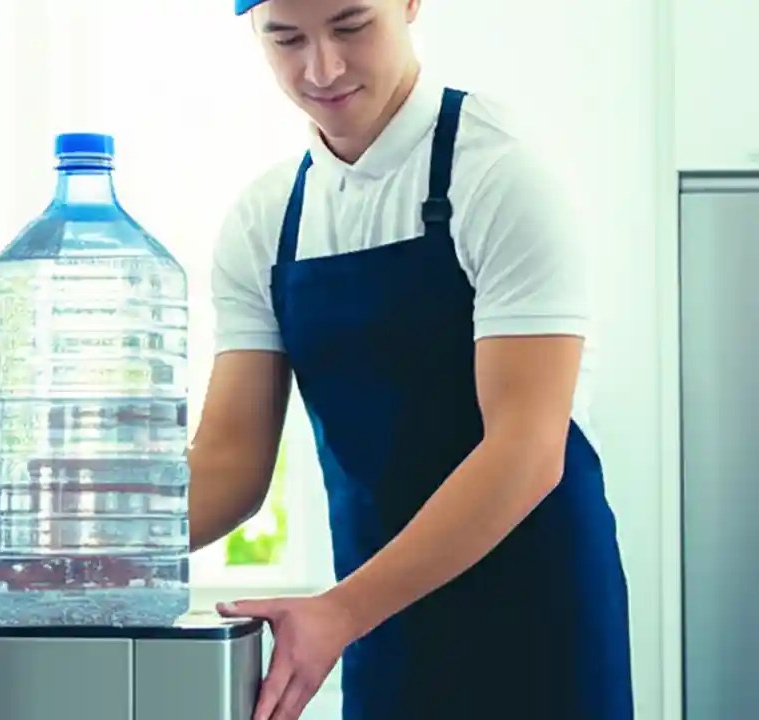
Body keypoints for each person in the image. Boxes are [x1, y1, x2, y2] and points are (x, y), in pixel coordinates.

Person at [188, 0, 635, 718]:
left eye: (350, 25)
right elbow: (229, 463)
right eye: (286, 39)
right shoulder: (267, 220)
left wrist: (342, 611)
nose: (321, 68)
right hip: (380, 627)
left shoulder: (500, 176)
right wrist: (80, 561)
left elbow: (525, 448)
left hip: (538, 622)